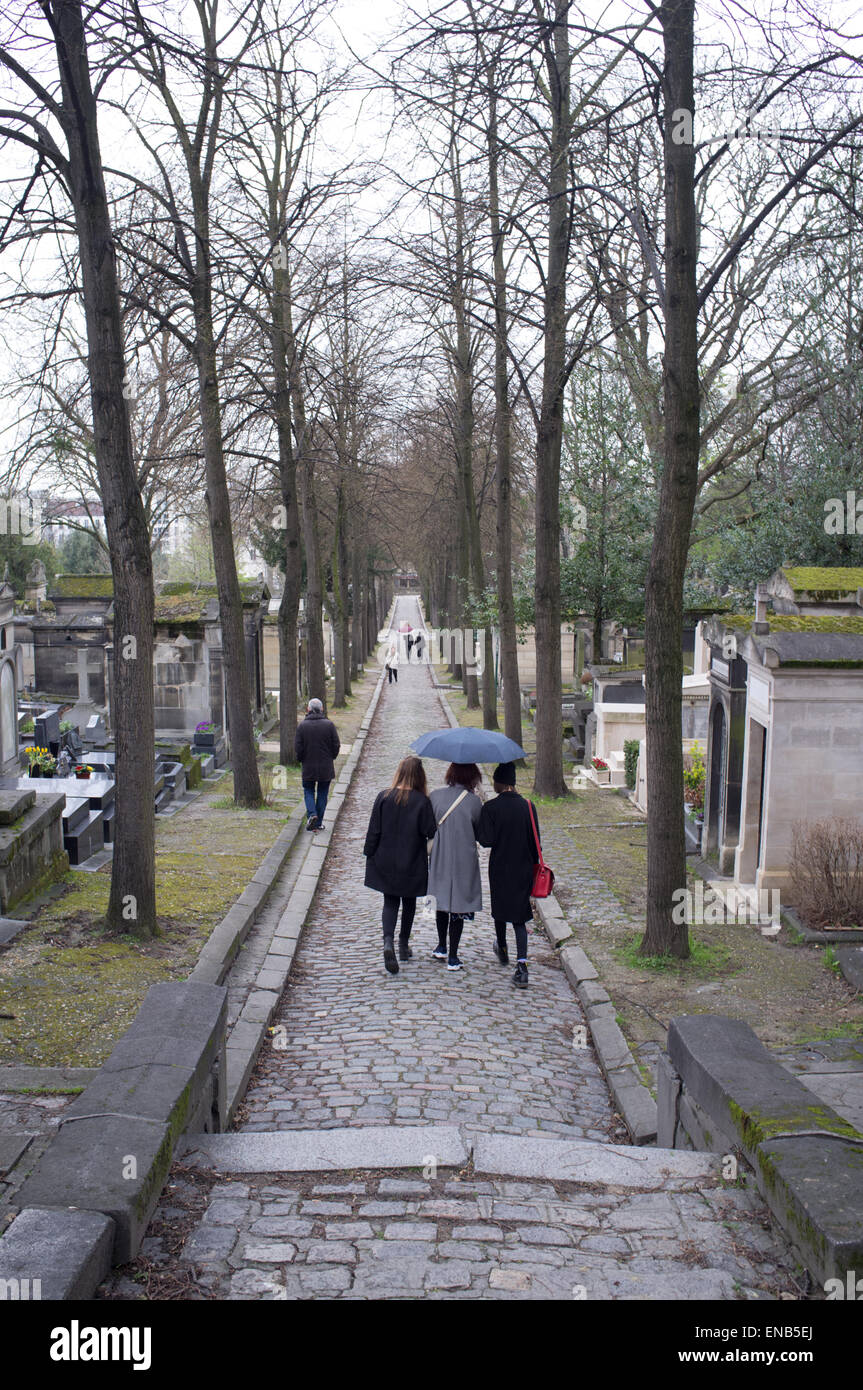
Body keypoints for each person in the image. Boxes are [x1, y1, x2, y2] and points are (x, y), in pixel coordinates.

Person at [363, 755, 437, 974]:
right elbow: (430, 832)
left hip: (385, 859)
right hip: (412, 860)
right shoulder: (422, 802)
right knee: (410, 903)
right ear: (420, 776)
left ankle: (388, 941)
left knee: (390, 902)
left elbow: (374, 830)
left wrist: (369, 853)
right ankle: (403, 945)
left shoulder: (384, 797)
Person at [476, 761, 540, 989]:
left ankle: (502, 947)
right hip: (522, 867)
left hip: (500, 867)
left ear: (499, 783)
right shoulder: (528, 806)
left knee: (500, 910)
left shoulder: (491, 808)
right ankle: (521, 965)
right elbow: (536, 842)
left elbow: (486, 841)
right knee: (520, 916)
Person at [428, 763, 482, 971]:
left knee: (440, 900)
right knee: (458, 906)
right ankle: (453, 955)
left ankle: (441, 945)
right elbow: (479, 831)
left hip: (440, 855)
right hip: (463, 858)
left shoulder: (435, 796)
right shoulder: (474, 802)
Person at [294, 697, 340, 831]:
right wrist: (332, 757)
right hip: (326, 766)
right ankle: (318, 822)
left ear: (308, 709)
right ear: (322, 709)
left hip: (308, 766)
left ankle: (312, 815)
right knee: (322, 793)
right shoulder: (329, 725)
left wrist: (301, 759)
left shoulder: (302, 726)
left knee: (308, 791)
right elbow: (336, 744)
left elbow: (298, 747)